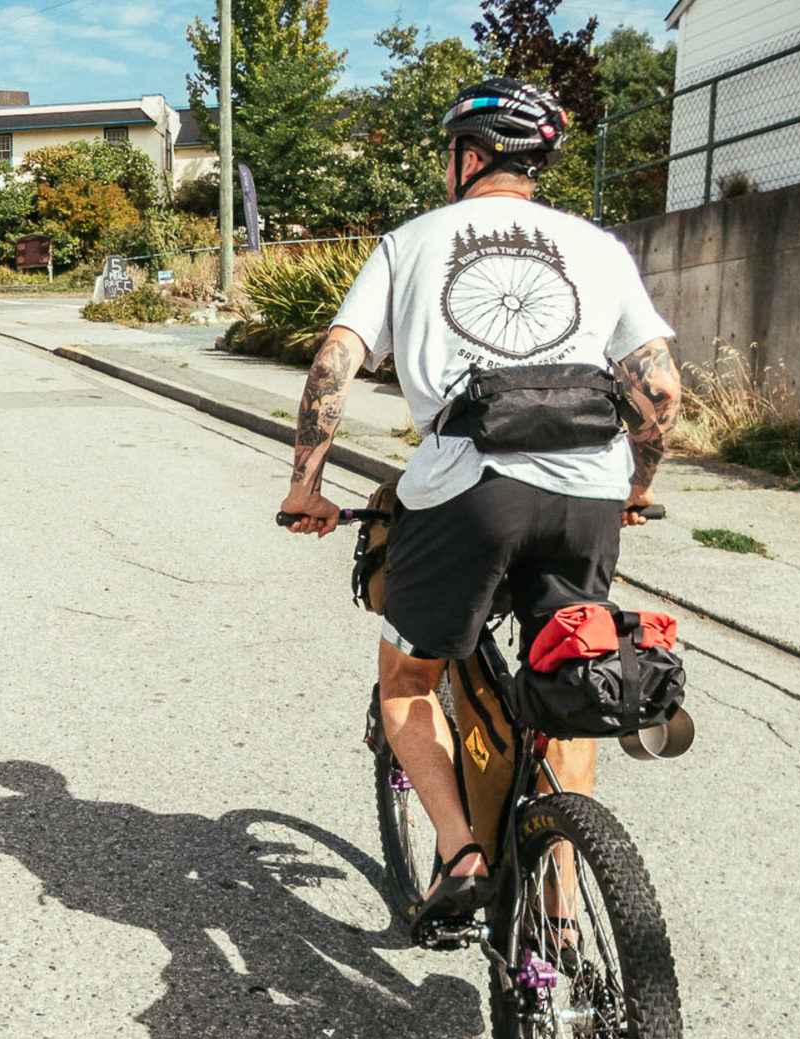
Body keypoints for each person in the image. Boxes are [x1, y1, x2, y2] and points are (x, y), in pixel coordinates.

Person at [277, 76, 683, 930]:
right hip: (589, 493)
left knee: (409, 678)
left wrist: (306, 485)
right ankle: (559, 913)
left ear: (468, 157)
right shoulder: (599, 246)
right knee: (568, 674)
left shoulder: (411, 241)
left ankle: (460, 851)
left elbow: (332, 364)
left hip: (471, 491)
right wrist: (637, 487)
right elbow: (662, 390)